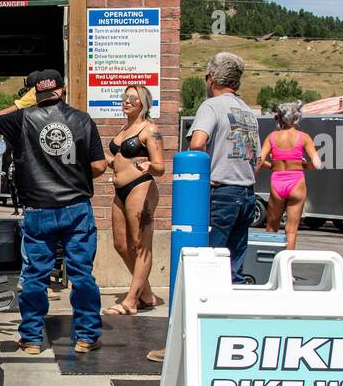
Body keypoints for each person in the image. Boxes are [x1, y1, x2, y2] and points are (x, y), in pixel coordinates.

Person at [0, 69, 107, 355]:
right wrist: (73, 172)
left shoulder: (21, 118)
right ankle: (86, 337)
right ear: (62, 90)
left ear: (35, 93)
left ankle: (31, 339)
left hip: (38, 210)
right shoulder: (82, 120)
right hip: (77, 209)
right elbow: (100, 166)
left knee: (34, 276)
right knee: (82, 274)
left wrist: (19, 104)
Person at [148, 52, 259, 363]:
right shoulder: (247, 112)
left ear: (212, 78)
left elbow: (197, 143)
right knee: (232, 272)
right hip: (246, 195)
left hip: (220, 195)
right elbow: (257, 160)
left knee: (198, 271)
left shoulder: (211, 106)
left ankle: (182, 348)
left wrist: (204, 179)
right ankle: (224, 346)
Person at [103, 84, 166, 315]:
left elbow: (160, 167)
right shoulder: (123, 130)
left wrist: (151, 165)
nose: (126, 101)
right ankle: (146, 294)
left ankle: (131, 301)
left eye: (132, 98)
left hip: (141, 187)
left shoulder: (150, 129)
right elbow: (116, 160)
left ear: (143, 103)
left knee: (141, 246)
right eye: (124, 97)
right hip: (120, 190)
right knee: (120, 244)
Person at [257, 101, 321, 250]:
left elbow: (259, 159)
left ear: (279, 118)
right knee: (291, 231)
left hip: (277, 181)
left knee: (271, 227)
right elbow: (317, 164)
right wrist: (304, 165)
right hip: (297, 182)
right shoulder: (304, 137)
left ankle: (268, 264)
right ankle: (286, 266)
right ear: (296, 119)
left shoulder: (272, 137)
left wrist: (271, 165)